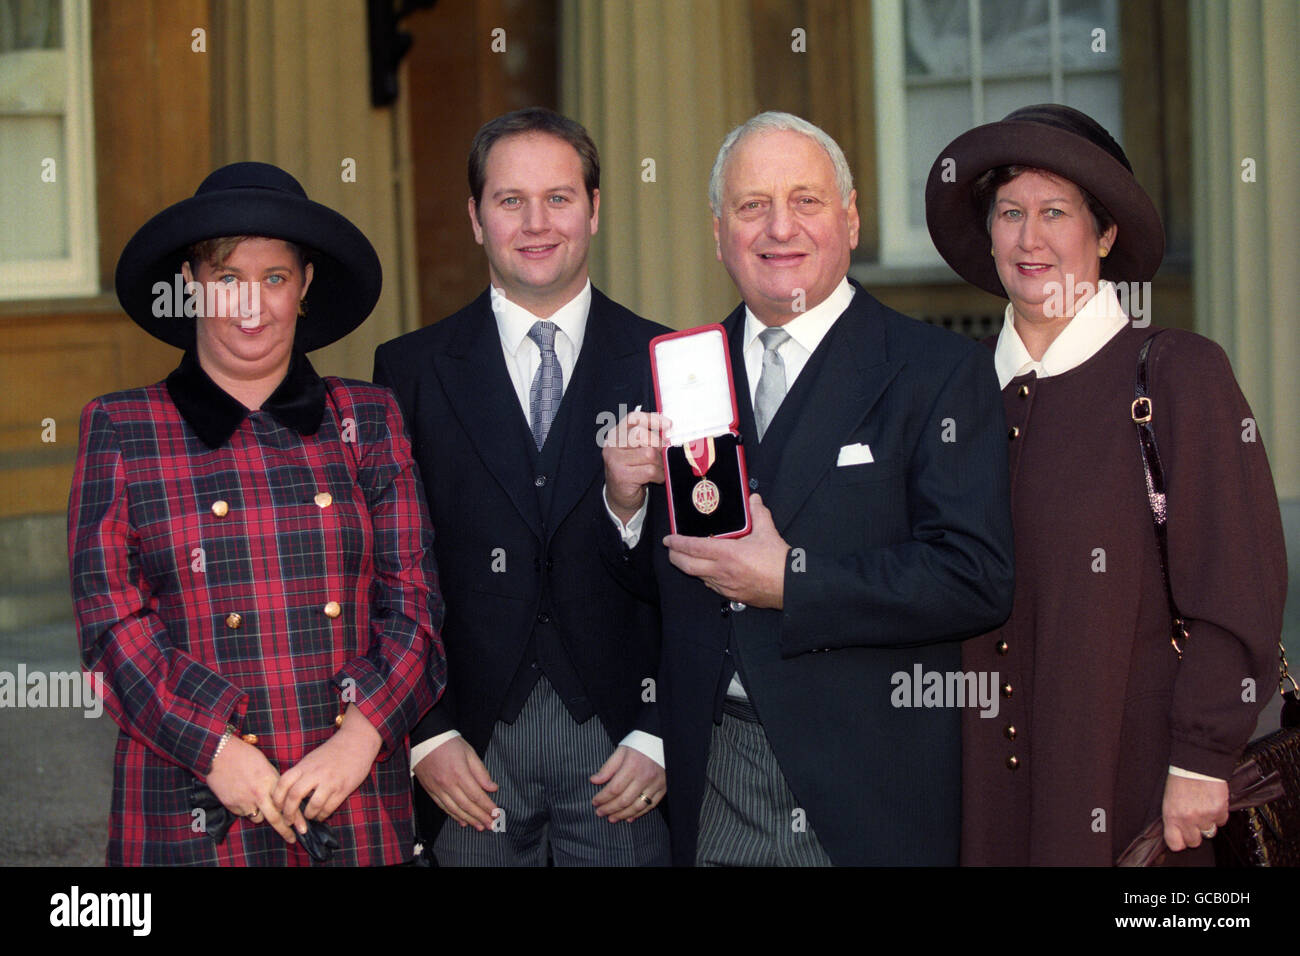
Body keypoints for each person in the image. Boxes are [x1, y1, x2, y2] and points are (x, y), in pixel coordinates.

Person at [601, 111, 1015, 866]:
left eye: (807, 201)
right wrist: (625, 507)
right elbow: (651, 592)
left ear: (851, 220)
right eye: (753, 205)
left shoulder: (937, 373)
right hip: (716, 781)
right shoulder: (679, 373)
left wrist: (792, 582)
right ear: (719, 231)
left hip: (867, 790)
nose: (779, 227)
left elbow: (975, 579)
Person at [924, 103, 1287, 865]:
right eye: (1010, 212)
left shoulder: (1178, 375)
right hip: (979, 801)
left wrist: (1200, 759)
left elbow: (1237, 582)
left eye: (1055, 212)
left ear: (1106, 233)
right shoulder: (952, 399)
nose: (1030, 239)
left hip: (1144, 794)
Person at [69, 162, 445, 865]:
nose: (252, 304)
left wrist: (358, 741)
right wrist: (212, 749)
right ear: (189, 285)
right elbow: (109, 626)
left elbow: (417, 605)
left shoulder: (367, 417)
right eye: (227, 278)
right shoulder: (122, 427)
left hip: (350, 799)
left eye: (274, 278)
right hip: (189, 806)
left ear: (303, 287)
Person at [373, 108, 670, 866]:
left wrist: (661, 730)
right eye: (510, 201)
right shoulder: (407, 371)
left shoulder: (669, 360)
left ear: (596, 209)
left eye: (559, 198)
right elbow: (387, 569)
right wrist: (425, 731)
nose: (536, 223)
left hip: (622, 754)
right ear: (475, 218)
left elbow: (700, 565)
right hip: (468, 758)